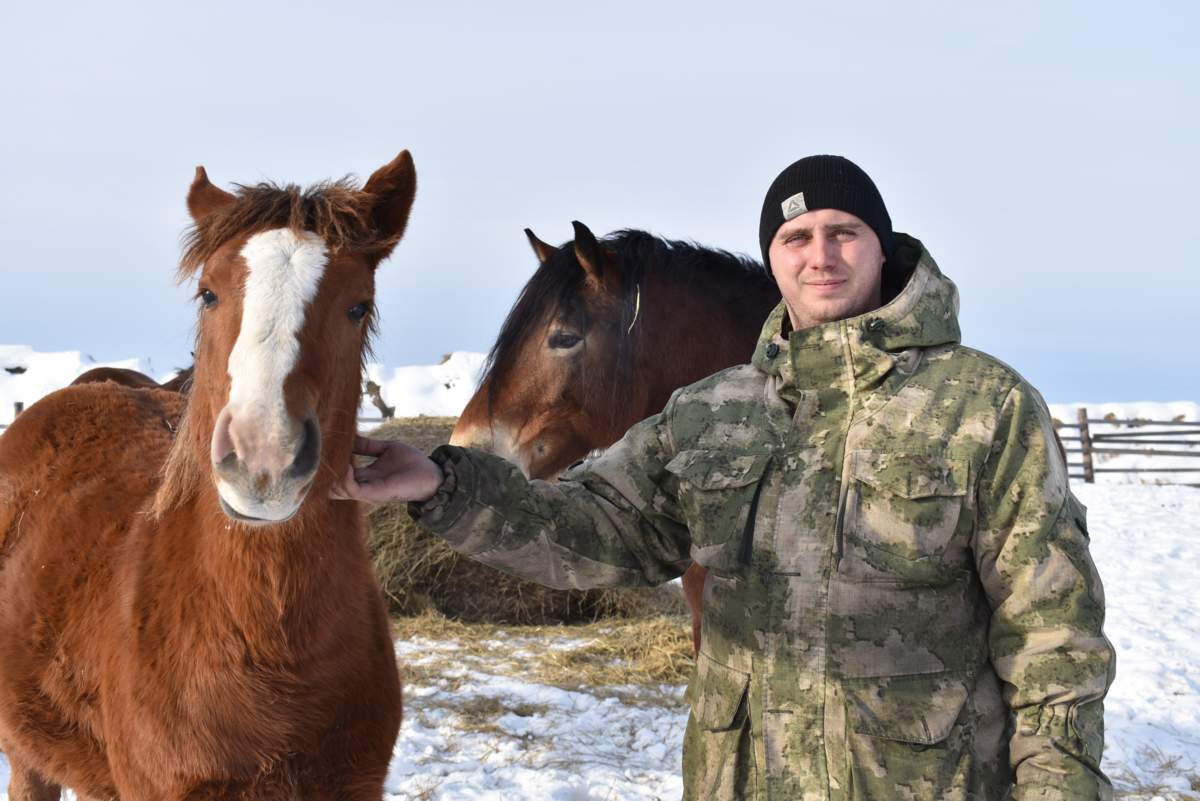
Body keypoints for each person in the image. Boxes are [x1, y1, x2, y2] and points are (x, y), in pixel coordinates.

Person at [334, 156, 1115, 800]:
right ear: (772, 259)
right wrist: (441, 483)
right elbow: (594, 528)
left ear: (882, 247)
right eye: (796, 236)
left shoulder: (985, 408)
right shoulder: (711, 414)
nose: (820, 255)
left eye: (843, 232)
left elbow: (1053, 633)